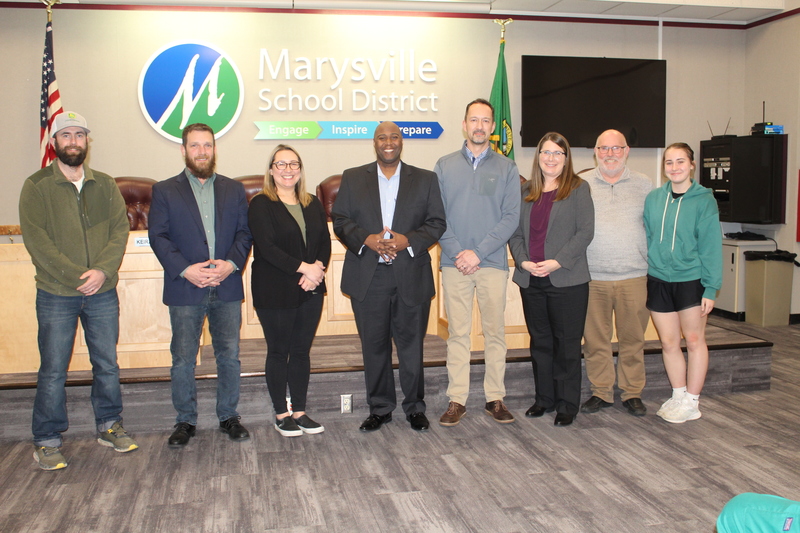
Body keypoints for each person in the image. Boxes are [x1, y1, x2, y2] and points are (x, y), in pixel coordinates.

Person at [19, 112, 138, 470]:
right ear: (54, 142)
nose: (73, 141)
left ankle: (109, 425)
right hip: (57, 293)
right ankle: (47, 439)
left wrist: (102, 271)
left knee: (106, 363)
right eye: (65, 135)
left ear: (88, 141)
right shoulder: (37, 185)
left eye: (79, 135)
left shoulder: (104, 184)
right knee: (54, 368)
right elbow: (37, 241)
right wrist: (77, 276)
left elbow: (120, 230)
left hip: (102, 291)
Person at [332, 121, 446, 433]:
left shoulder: (425, 179)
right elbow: (340, 219)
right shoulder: (354, 177)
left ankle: (415, 408)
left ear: (401, 141)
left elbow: (437, 222)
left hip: (410, 274)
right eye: (382, 137)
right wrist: (366, 239)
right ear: (374, 142)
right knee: (374, 346)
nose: (388, 142)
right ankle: (380, 408)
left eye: (394, 136)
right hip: (369, 275)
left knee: (412, 346)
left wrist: (406, 240)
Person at [149, 123, 253, 446]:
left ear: (214, 150)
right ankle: (184, 421)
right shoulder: (165, 191)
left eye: (207, 145)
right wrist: (185, 270)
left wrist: (231, 264)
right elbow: (159, 237)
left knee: (229, 355)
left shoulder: (234, 190)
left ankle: (228, 416)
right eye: (195, 146)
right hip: (186, 288)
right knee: (182, 358)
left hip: (226, 286)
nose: (202, 151)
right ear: (183, 150)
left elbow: (244, 234)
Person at [434, 98, 520, 427]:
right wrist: (459, 252)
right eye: (474, 120)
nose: (479, 126)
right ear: (464, 124)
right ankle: (457, 399)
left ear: (493, 127)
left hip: (492, 263)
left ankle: (494, 398)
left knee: (495, 333)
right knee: (458, 334)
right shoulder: (444, 165)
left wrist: (478, 252)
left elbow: (511, 217)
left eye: (486, 121)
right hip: (454, 264)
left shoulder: (507, 168)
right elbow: (436, 216)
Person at [508, 132, 594, 427]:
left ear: (566, 159)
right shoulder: (525, 191)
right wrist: (523, 261)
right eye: (546, 152)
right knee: (541, 342)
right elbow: (516, 233)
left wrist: (557, 262)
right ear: (538, 157)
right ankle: (544, 399)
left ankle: (568, 403)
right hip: (531, 279)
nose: (551, 158)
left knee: (567, 344)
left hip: (567, 280)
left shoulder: (578, 189)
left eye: (557, 153)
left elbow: (585, 232)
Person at [248, 145, 331, 438]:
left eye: (293, 164)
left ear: (300, 169)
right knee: (279, 351)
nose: (287, 169)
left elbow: (324, 242)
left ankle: (300, 411)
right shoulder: (261, 204)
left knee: (300, 351)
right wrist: (305, 269)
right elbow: (268, 248)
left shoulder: (312, 203)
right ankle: (281, 414)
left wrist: (316, 269)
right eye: (280, 164)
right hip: (275, 289)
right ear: (271, 170)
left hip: (310, 289)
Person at [643, 142, 722, 424]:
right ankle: (678, 395)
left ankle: (692, 399)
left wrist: (711, 288)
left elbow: (711, 246)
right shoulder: (654, 198)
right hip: (659, 279)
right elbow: (651, 237)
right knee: (668, 342)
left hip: (691, 280)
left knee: (694, 339)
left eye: (680, 162)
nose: (674, 167)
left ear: (691, 165)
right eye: (669, 162)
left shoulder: (704, 200)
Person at [580, 130, 653, 417]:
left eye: (616, 148)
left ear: (627, 151)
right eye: (604, 148)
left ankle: (632, 392)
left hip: (634, 275)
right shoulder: (580, 184)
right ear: (595, 152)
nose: (610, 154)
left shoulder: (645, 185)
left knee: (633, 339)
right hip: (592, 276)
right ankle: (601, 392)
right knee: (595, 340)